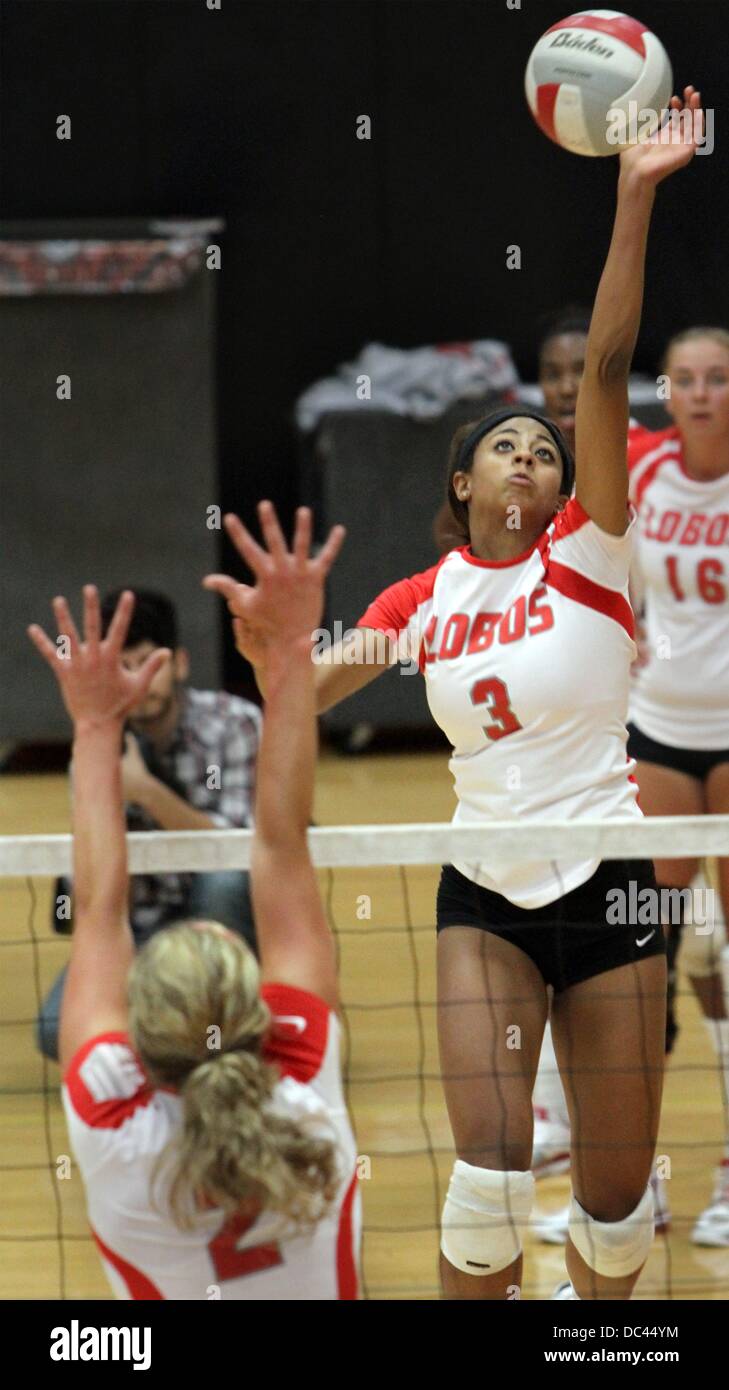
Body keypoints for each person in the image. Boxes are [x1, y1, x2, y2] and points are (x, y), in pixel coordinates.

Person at [217, 88, 703, 1300]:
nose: (534, 456)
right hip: (482, 887)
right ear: (464, 480)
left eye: (546, 445)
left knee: (612, 1203)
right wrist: (277, 649)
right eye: (510, 447)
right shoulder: (419, 601)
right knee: (485, 1183)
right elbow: (304, 696)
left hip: (610, 877)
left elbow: (600, 363)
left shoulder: (591, 553)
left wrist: (633, 192)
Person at [27, 505, 359, 1300]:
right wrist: (289, 652)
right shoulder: (306, 1095)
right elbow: (281, 848)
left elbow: (97, 921)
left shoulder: (110, 1127)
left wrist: (91, 727)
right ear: (255, 1012)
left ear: (140, 1035)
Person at [36, 588, 260, 1062]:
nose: (140, 681)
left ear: (179, 663)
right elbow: (82, 897)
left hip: (219, 927)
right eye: (124, 667)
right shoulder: (95, 748)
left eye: (149, 664)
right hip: (139, 933)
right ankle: (176, 1033)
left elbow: (239, 851)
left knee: (224, 883)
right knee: (56, 1030)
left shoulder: (235, 724)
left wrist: (145, 792)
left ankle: (218, 1010)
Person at [627, 325, 729, 1246]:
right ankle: (639, 1180)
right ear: (666, 391)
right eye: (685, 379)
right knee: (641, 955)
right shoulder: (643, 467)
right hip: (657, 730)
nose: (699, 393)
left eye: (718, 379)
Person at [432, 308, 590, 556]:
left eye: (581, 371)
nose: (566, 388)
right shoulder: (517, 447)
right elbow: (446, 531)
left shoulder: (640, 454)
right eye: (552, 375)